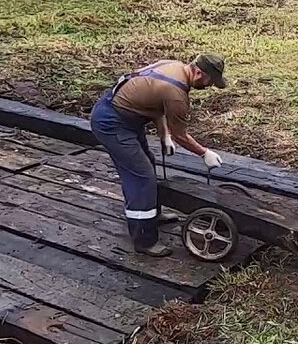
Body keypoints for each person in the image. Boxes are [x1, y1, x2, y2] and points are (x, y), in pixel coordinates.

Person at [91, 54, 227, 257]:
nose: (210, 86)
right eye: (210, 81)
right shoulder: (176, 94)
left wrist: (164, 136)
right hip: (112, 123)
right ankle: (144, 240)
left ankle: (153, 215)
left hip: (125, 115)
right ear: (199, 73)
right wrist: (204, 153)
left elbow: (156, 105)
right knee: (142, 176)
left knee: (149, 162)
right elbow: (182, 135)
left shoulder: (174, 67)